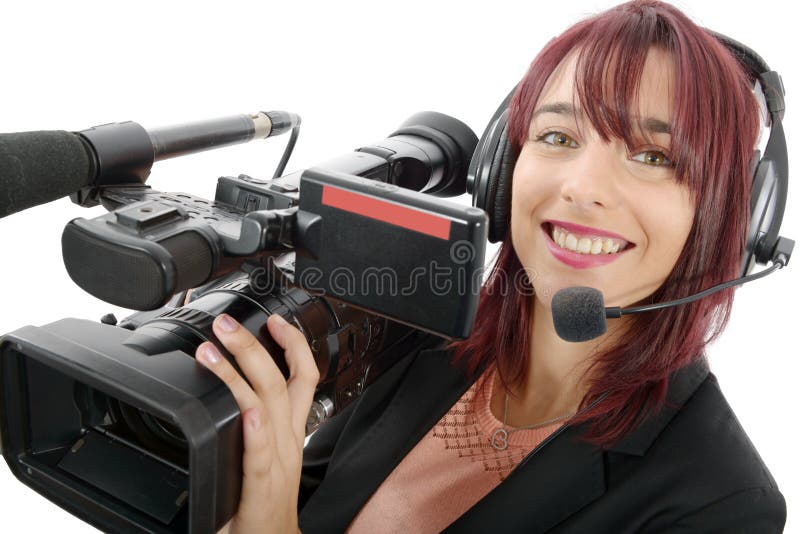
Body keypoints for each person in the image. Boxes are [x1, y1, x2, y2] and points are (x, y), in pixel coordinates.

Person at [193, 1, 788, 532]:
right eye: (558, 137)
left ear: (728, 217)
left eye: (653, 155)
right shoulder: (423, 343)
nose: (583, 187)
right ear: (503, 169)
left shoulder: (723, 505)